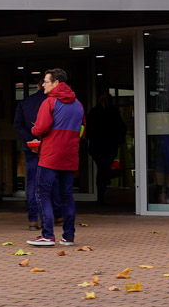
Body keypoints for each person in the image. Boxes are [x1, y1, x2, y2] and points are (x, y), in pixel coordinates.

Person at [29, 67, 84, 247]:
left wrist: (34, 131)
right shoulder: (78, 104)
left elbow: (40, 128)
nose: (43, 85)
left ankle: (48, 235)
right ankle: (68, 236)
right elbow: (82, 130)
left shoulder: (49, 102)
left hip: (50, 155)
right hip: (70, 155)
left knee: (42, 193)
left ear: (56, 83)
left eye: (46, 81)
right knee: (67, 196)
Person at [13, 78, 47, 232]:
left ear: (38, 86)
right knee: (52, 181)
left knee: (32, 182)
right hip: (49, 147)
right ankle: (56, 215)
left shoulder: (25, 102)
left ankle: (33, 219)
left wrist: (31, 141)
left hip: (31, 148)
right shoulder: (53, 102)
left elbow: (18, 125)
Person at [86, 93, 124, 196]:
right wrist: (120, 140)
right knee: (105, 169)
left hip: (97, 145)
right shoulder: (114, 112)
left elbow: (88, 129)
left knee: (101, 169)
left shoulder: (94, 112)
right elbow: (120, 127)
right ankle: (102, 192)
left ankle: (100, 194)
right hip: (109, 145)